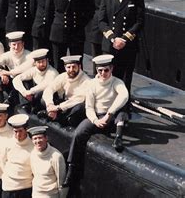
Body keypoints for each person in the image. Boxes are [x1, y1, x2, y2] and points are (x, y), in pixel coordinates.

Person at [63, 55, 129, 187]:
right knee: (78, 134)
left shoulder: (117, 83)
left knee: (122, 113)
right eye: (100, 71)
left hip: (112, 116)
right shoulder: (92, 84)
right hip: (97, 116)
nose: (103, 73)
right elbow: (89, 106)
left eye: (106, 70)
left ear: (111, 69)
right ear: (97, 71)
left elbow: (124, 95)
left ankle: (118, 138)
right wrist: (94, 120)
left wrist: (109, 113)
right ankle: (72, 169)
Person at [98, 0, 145, 91]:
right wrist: (113, 38)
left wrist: (124, 39)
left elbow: (140, 22)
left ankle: (124, 106)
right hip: (110, 44)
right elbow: (101, 21)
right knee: (107, 77)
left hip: (128, 45)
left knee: (126, 78)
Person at [45, 0, 94, 72]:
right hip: (58, 34)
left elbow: (89, 12)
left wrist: (80, 25)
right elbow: (48, 13)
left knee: (77, 64)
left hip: (76, 34)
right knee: (58, 64)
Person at [40, 55, 89, 126]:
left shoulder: (87, 81)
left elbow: (79, 99)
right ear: (65, 68)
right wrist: (50, 105)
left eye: (74, 67)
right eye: (68, 67)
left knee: (79, 108)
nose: (71, 70)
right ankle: (55, 115)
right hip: (63, 104)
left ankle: (57, 117)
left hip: (73, 105)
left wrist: (57, 108)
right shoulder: (63, 76)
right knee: (43, 99)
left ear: (79, 66)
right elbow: (49, 89)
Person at [12, 49, 58, 114]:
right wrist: (24, 92)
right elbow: (16, 79)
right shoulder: (34, 70)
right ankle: (25, 107)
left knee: (41, 92)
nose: (42, 64)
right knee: (24, 83)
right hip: (34, 96)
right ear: (34, 63)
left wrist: (30, 92)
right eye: (39, 62)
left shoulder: (52, 72)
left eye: (43, 61)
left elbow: (45, 85)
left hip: (50, 98)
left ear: (47, 60)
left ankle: (41, 111)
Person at [28, 126, 67, 198]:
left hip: (51, 195)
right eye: (35, 139)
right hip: (36, 194)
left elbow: (61, 181)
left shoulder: (56, 156)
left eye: (40, 138)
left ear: (46, 138)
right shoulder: (33, 154)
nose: (38, 141)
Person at [1, 114, 34, 198]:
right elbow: (2, 161)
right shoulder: (7, 143)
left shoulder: (33, 146)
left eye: (20, 131)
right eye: (15, 131)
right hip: (9, 187)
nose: (18, 134)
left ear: (26, 130)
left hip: (26, 188)